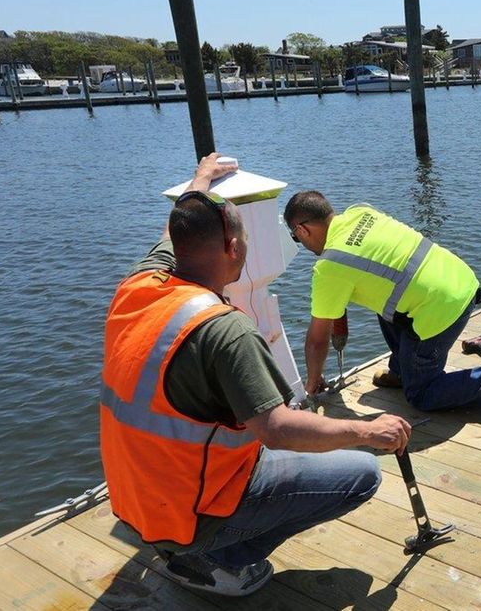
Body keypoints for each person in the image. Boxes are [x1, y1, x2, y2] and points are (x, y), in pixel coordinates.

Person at [99, 153, 412, 597]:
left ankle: (188, 546)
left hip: (137, 502)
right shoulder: (224, 328)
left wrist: (201, 183)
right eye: (243, 237)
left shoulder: (139, 285)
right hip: (188, 514)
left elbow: (175, 229)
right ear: (233, 248)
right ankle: (218, 562)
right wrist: (366, 431)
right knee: (361, 473)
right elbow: (278, 428)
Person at [283, 191, 481, 428]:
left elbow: (317, 341)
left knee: (421, 395)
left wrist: (312, 381)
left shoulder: (329, 267)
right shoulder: (361, 211)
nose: (300, 243)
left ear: (302, 230)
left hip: (441, 311)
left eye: (296, 238)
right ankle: (402, 372)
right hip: (460, 280)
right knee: (384, 291)